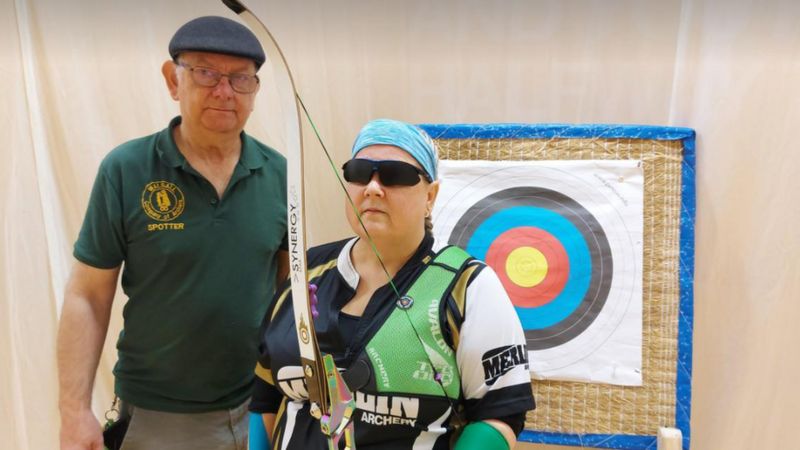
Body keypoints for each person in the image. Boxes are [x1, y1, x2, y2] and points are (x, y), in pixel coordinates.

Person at [57, 16, 289, 450]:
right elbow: (87, 295)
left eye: (241, 79)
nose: (225, 91)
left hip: (260, 413)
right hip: (158, 419)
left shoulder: (281, 175)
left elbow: (288, 297)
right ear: (172, 80)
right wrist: (74, 411)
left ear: (255, 90)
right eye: (206, 73)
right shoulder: (126, 169)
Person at [249, 119, 535, 449]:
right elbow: (266, 394)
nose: (372, 187)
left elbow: (499, 415)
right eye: (359, 173)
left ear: (430, 196)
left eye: (395, 174)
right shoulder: (307, 270)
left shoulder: (468, 286)